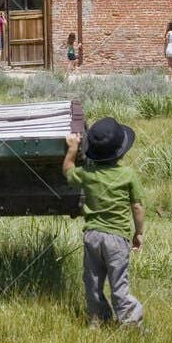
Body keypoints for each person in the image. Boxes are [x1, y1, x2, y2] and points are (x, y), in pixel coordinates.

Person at [62, 117, 145, 328]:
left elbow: (68, 172)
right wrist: (139, 232)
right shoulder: (128, 175)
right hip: (117, 239)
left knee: (93, 283)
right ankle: (130, 322)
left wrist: (72, 149)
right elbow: (137, 206)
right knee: (119, 285)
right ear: (121, 151)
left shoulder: (88, 174)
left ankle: (98, 320)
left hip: (92, 237)